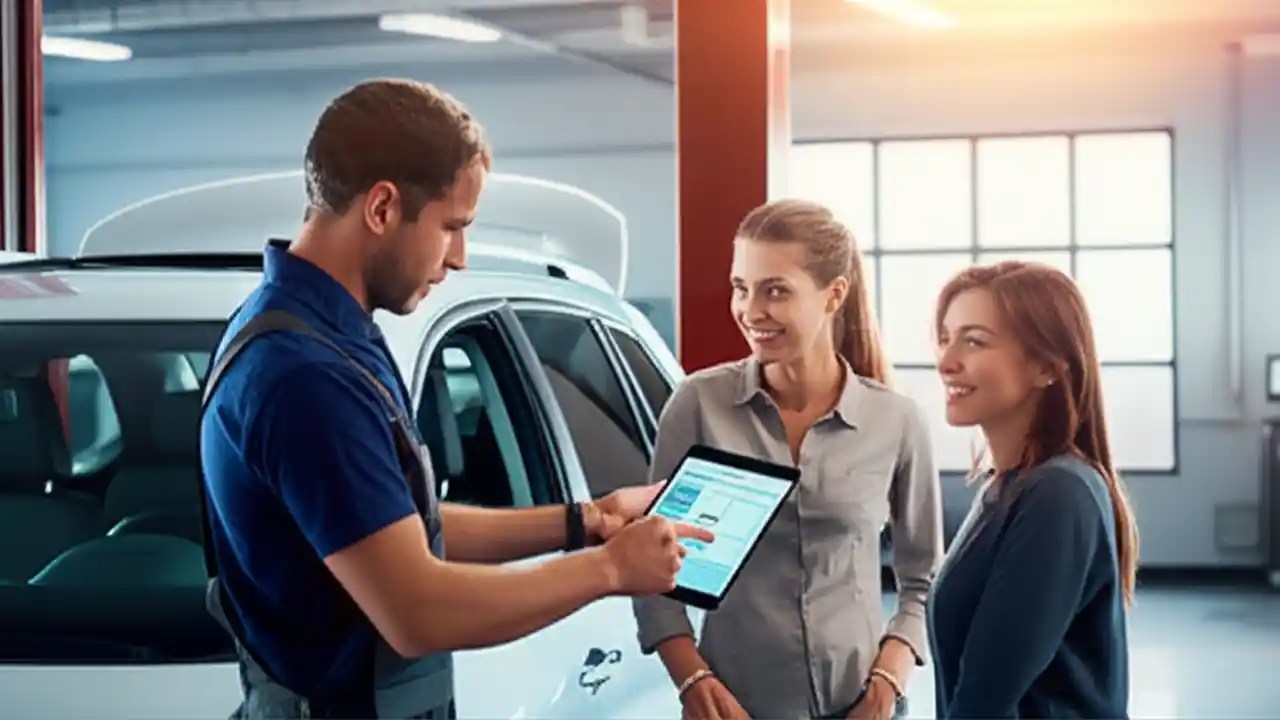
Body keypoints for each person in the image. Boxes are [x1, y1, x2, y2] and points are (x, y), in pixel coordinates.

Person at [198, 78, 713, 719]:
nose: (460, 258)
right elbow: (418, 612)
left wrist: (590, 520)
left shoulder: (321, 333)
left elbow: (397, 529)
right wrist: (609, 569)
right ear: (382, 208)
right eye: (452, 227)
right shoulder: (306, 376)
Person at [632, 199, 944, 720]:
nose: (751, 311)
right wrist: (692, 678)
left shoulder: (896, 422)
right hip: (733, 710)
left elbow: (923, 579)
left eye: (775, 290)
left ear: (833, 295)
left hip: (859, 708)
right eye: (741, 288)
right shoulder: (697, 406)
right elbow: (650, 569)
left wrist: (888, 681)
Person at [926, 261, 1138, 719]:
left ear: (1046, 366)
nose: (946, 361)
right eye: (945, 337)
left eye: (974, 341)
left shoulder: (1058, 494)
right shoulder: (1006, 486)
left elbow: (985, 700)